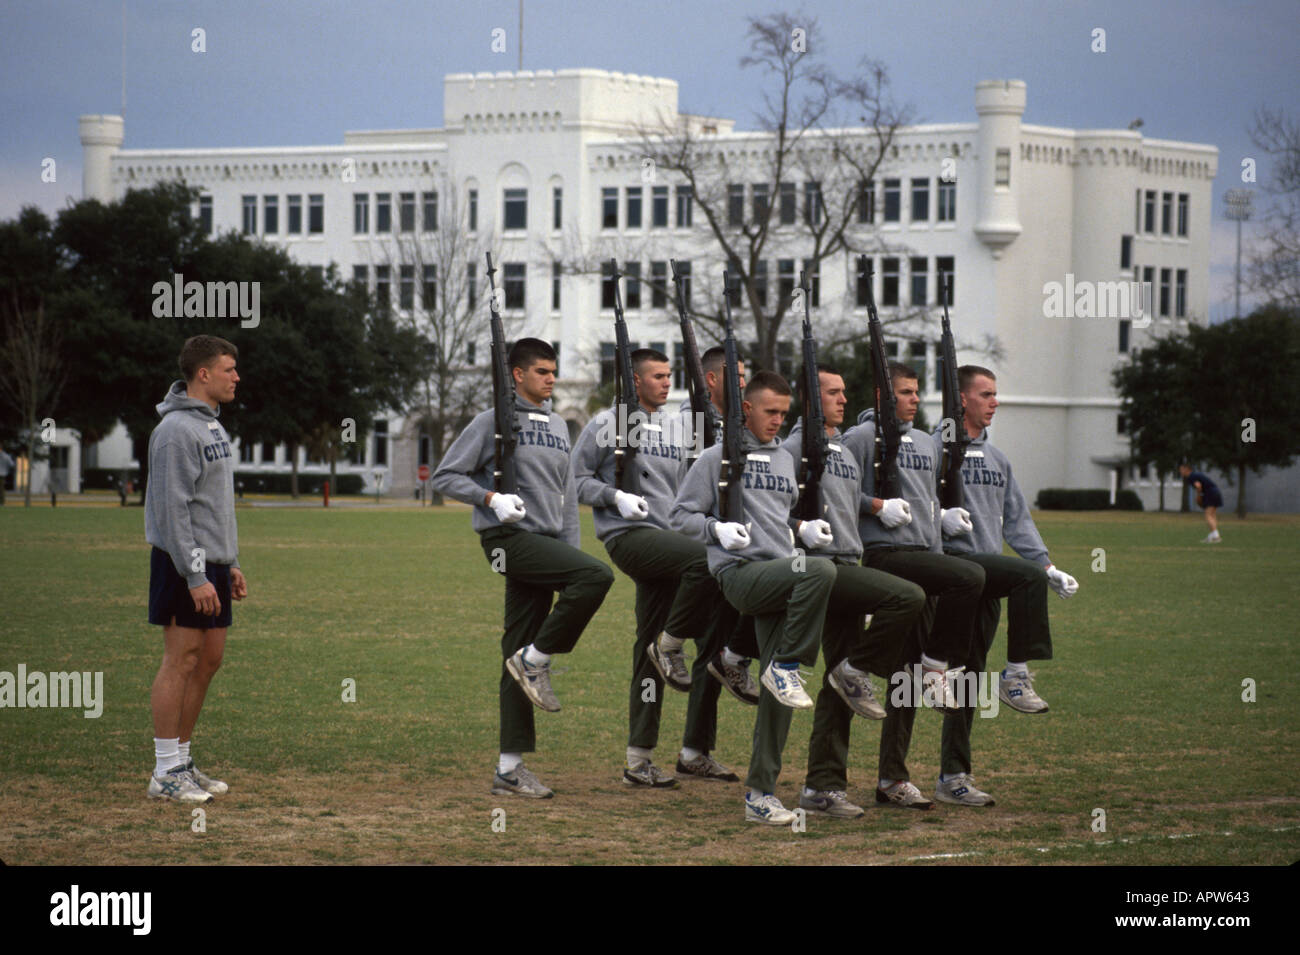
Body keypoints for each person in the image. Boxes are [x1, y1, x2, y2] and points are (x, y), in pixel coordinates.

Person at [431, 338, 614, 799]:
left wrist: (567, 551)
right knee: (597, 575)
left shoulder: (557, 425)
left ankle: (509, 769)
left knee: (514, 649)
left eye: (554, 371)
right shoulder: (492, 420)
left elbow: (567, 495)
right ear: (517, 374)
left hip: (546, 545)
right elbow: (446, 476)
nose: (551, 378)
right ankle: (537, 661)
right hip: (507, 540)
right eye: (542, 371)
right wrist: (491, 498)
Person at [672, 371, 836, 824]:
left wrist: (800, 528)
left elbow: (773, 519)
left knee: (780, 700)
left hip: (780, 576)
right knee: (820, 568)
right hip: (740, 575)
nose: (778, 421)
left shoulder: (784, 458)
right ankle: (787, 666)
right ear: (746, 408)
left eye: (784, 413)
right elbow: (679, 516)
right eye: (770, 412)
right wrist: (715, 528)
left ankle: (760, 796)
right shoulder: (714, 458)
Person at [573, 348, 739, 786]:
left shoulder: (677, 426)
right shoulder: (606, 423)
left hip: (672, 542)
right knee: (705, 568)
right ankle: (672, 644)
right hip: (631, 536)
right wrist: (614, 497)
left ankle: (642, 759)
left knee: (650, 646)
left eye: (670, 375)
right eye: (658, 376)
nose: (667, 383)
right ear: (634, 381)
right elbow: (575, 481)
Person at [930, 365, 1079, 806]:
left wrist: (1046, 566)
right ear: (961, 401)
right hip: (946, 581)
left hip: (987, 585)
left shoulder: (998, 460)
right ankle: (892, 776)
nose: (995, 402)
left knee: (969, 680)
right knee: (922, 677)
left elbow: (1017, 519)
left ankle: (953, 777)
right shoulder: (932, 451)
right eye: (986, 394)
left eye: (996, 394)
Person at [842, 362, 985, 810]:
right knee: (971, 578)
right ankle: (936, 664)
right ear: (884, 397)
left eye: (917, 392)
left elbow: (934, 496)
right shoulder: (860, 439)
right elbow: (840, 492)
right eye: (905, 392)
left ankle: (892, 779)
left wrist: (941, 519)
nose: (915, 400)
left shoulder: (926, 442)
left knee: (905, 675)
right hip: (888, 557)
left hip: (928, 558)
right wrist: (876, 506)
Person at [785, 365, 926, 819]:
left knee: (838, 687)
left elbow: (848, 496)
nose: (843, 399)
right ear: (810, 400)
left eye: (846, 391)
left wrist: (875, 504)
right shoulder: (795, 447)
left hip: (850, 562)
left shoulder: (839, 445)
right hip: (823, 571)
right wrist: (799, 528)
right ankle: (856, 667)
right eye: (832, 393)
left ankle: (822, 787)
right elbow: (764, 507)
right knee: (907, 597)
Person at [144, 335, 247, 804]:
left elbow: (213, 505)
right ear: (203, 374)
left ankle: (182, 761)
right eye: (229, 369)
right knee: (181, 659)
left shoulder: (213, 428)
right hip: (184, 564)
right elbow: (173, 511)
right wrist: (196, 574)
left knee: (208, 661)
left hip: (215, 566)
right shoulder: (174, 432)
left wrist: (231, 563)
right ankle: (164, 771)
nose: (236, 377)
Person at [679, 345, 760, 705]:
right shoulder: (691, 421)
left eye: (745, 376)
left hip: (732, 539)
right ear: (710, 379)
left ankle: (697, 752)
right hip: (696, 538)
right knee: (700, 646)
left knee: (713, 649)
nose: (743, 383)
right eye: (736, 376)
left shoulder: (743, 425)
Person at [1179, 463, 1223, 543]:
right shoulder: (1195, 475)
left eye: (1181, 469)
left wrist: (1198, 497)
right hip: (1216, 492)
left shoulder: (1191, 476)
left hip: (1210, 493)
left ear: (1187, 469)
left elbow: (1198, 486)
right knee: (1212, 515)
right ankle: (1212, 535)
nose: (1180, 471)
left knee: (1208, 515)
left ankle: (1216, 536)